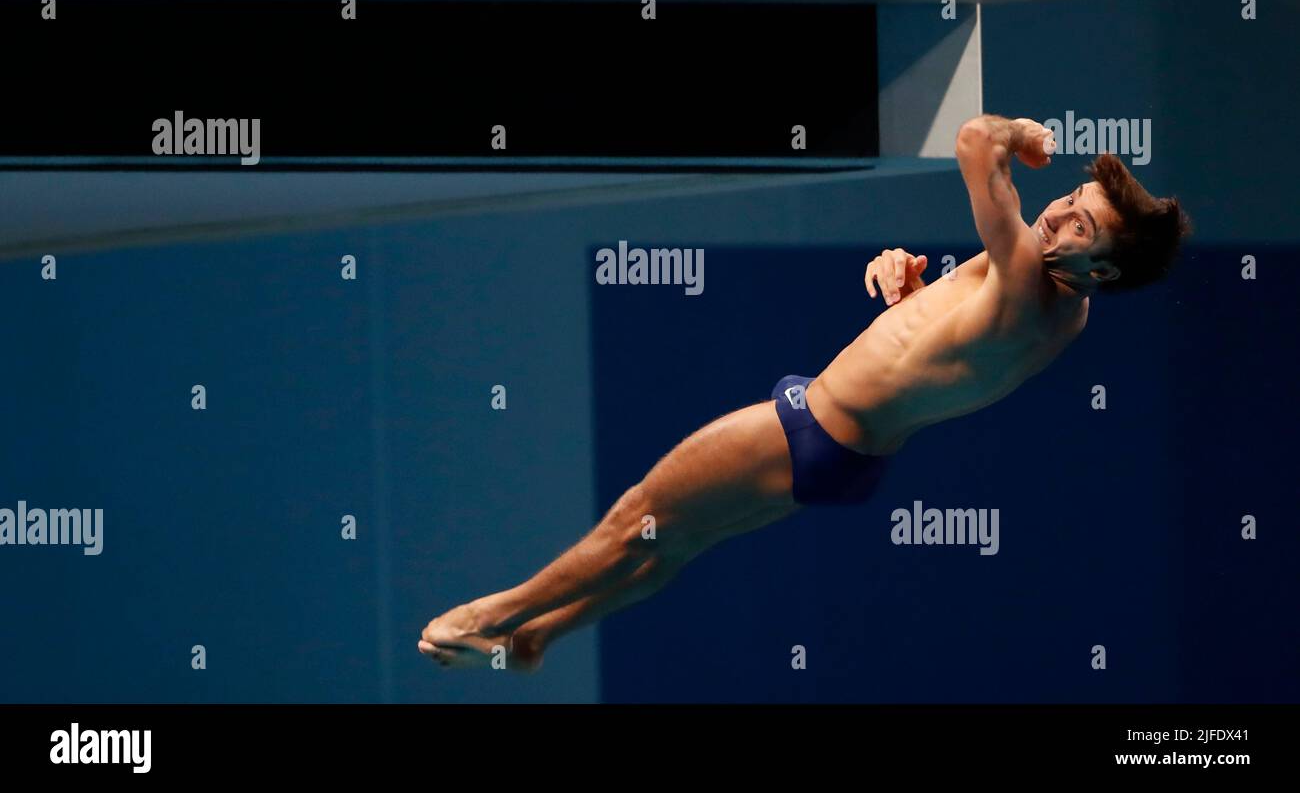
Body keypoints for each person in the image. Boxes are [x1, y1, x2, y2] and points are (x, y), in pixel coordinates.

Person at [419, 115, 1192, 670]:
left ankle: (488, 616)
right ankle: (543, 637)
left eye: (1083, 225)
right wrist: (911, 289)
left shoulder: (1031, 274)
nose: (1057, 211)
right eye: (1071, 199)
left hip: (810, 432)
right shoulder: (1068, 311)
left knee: (637, 517)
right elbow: (960, 341)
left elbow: (973, 141)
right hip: (850, 462)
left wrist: (1020, 137)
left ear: (1105, 271)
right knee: (673, 544)